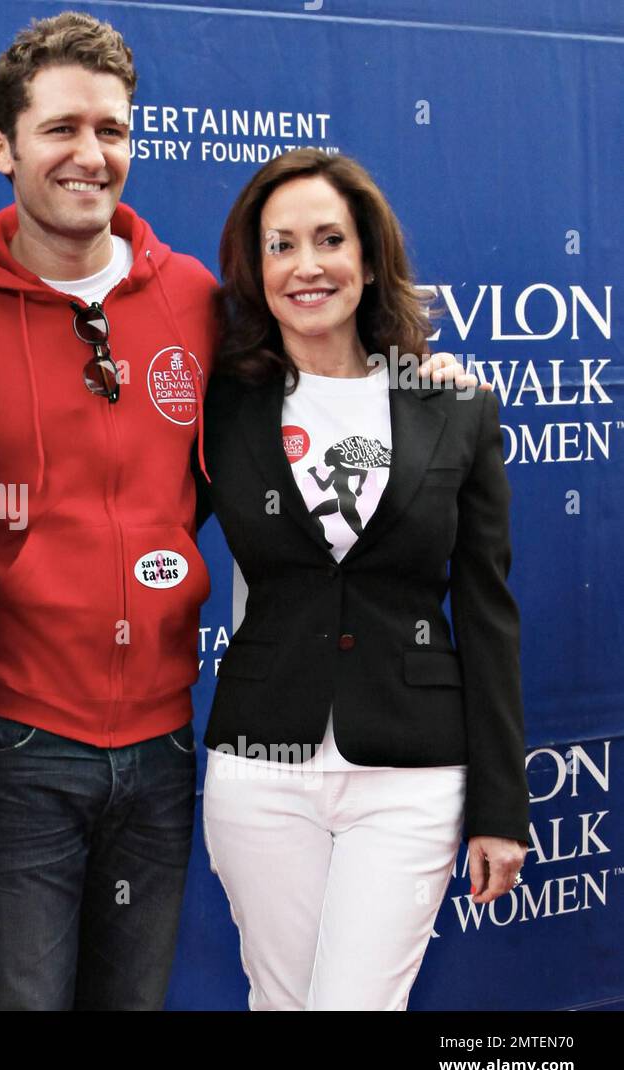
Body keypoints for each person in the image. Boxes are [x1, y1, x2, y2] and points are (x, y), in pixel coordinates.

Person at [0, 11, 212, 1010]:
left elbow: (316, 384)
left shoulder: (191, 295)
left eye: (110, 129)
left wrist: (414, 378)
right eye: (61, 128)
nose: (89, 154)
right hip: (16, 746)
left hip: (162, 743)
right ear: (2, 148)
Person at [198, 148, 528, 1010]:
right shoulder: (220, 405)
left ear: (371, 258)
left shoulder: (454, 406)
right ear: (255, 267)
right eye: (281, 246)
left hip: (410, 774)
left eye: (329, 239)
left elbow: (489, 613)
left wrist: (502, 806)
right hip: (261, 766)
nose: (306, 266)